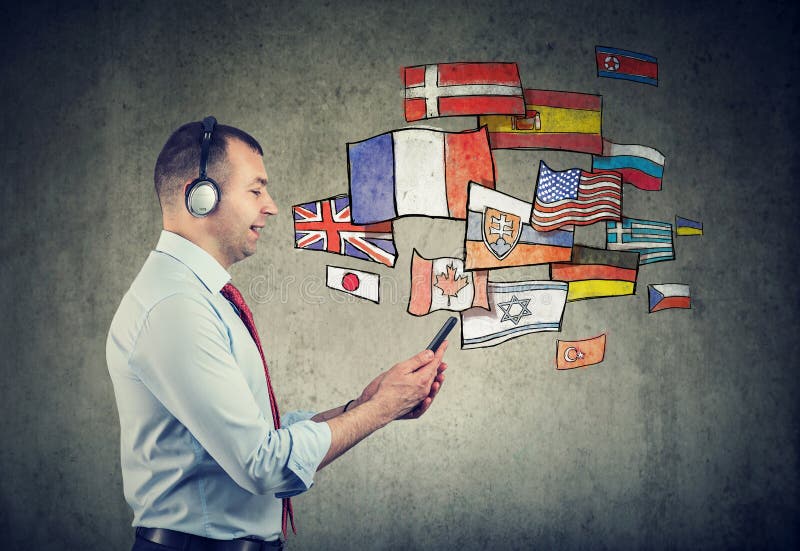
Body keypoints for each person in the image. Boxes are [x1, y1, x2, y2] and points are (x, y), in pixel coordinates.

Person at [106, 117, 448, 551]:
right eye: (256, 190)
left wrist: (360, 406)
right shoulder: (176, 308)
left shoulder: (198, 297)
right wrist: (380, 409)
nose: (271, 206)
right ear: (200, 195)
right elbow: (262, 464)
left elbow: (259, 439)